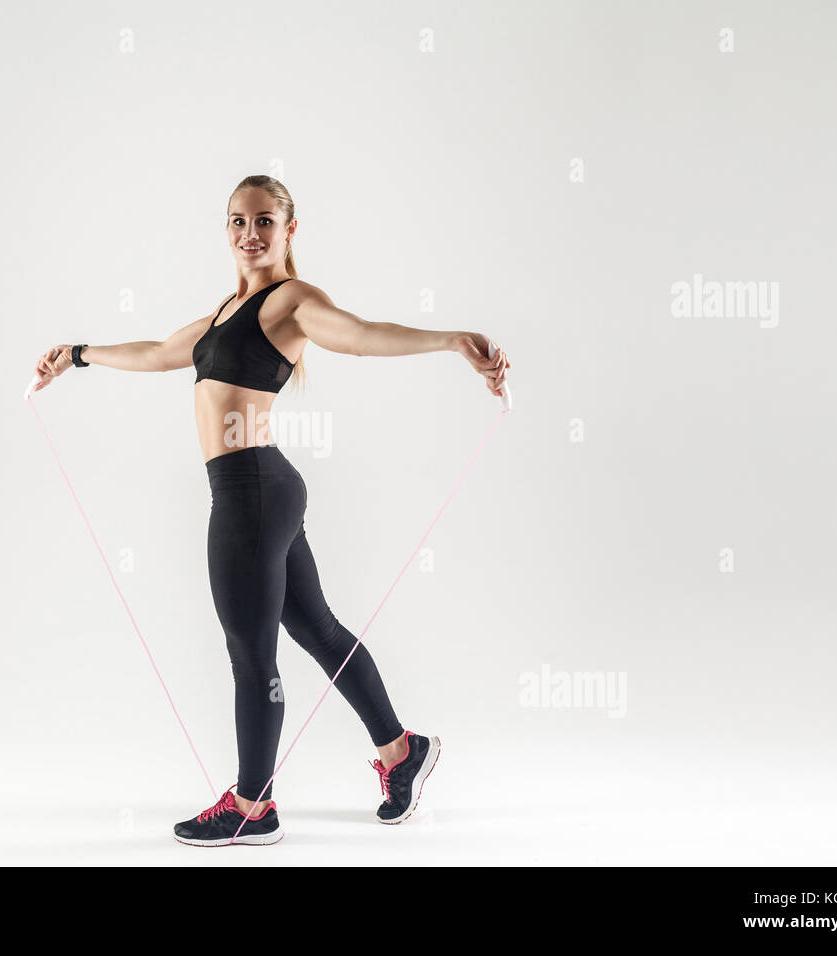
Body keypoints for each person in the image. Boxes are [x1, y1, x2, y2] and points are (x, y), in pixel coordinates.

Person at [32, 175, 510, 846]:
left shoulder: (293, 302)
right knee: (315, 628)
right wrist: (77, 355)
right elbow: (163, 352)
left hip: (251, 492)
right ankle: (402, 752)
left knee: (250, 652)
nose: (249, 233)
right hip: (261, 486)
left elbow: (361, 335)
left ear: (290, 231)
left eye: (263, 221)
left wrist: (454, 340)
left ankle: (253, 805)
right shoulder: (226, 312)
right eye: (236, 221)